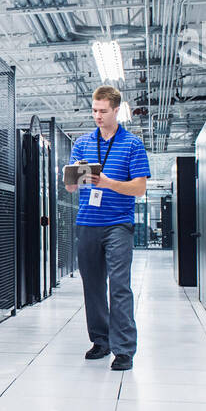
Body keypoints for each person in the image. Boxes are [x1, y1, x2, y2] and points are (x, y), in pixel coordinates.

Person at [64, 85, 150, 370]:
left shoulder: (132, 144)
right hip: (87, 222)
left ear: (116, 110)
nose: (97, 116)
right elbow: (71, 186)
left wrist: (108, 183)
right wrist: (72, 182)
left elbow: (139, 188)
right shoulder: (83, 144)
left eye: (103, 111)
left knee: (120, 287)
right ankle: (101, 341)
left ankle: (124, 349)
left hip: (118, 224)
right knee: (93, 286)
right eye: (94, 110)